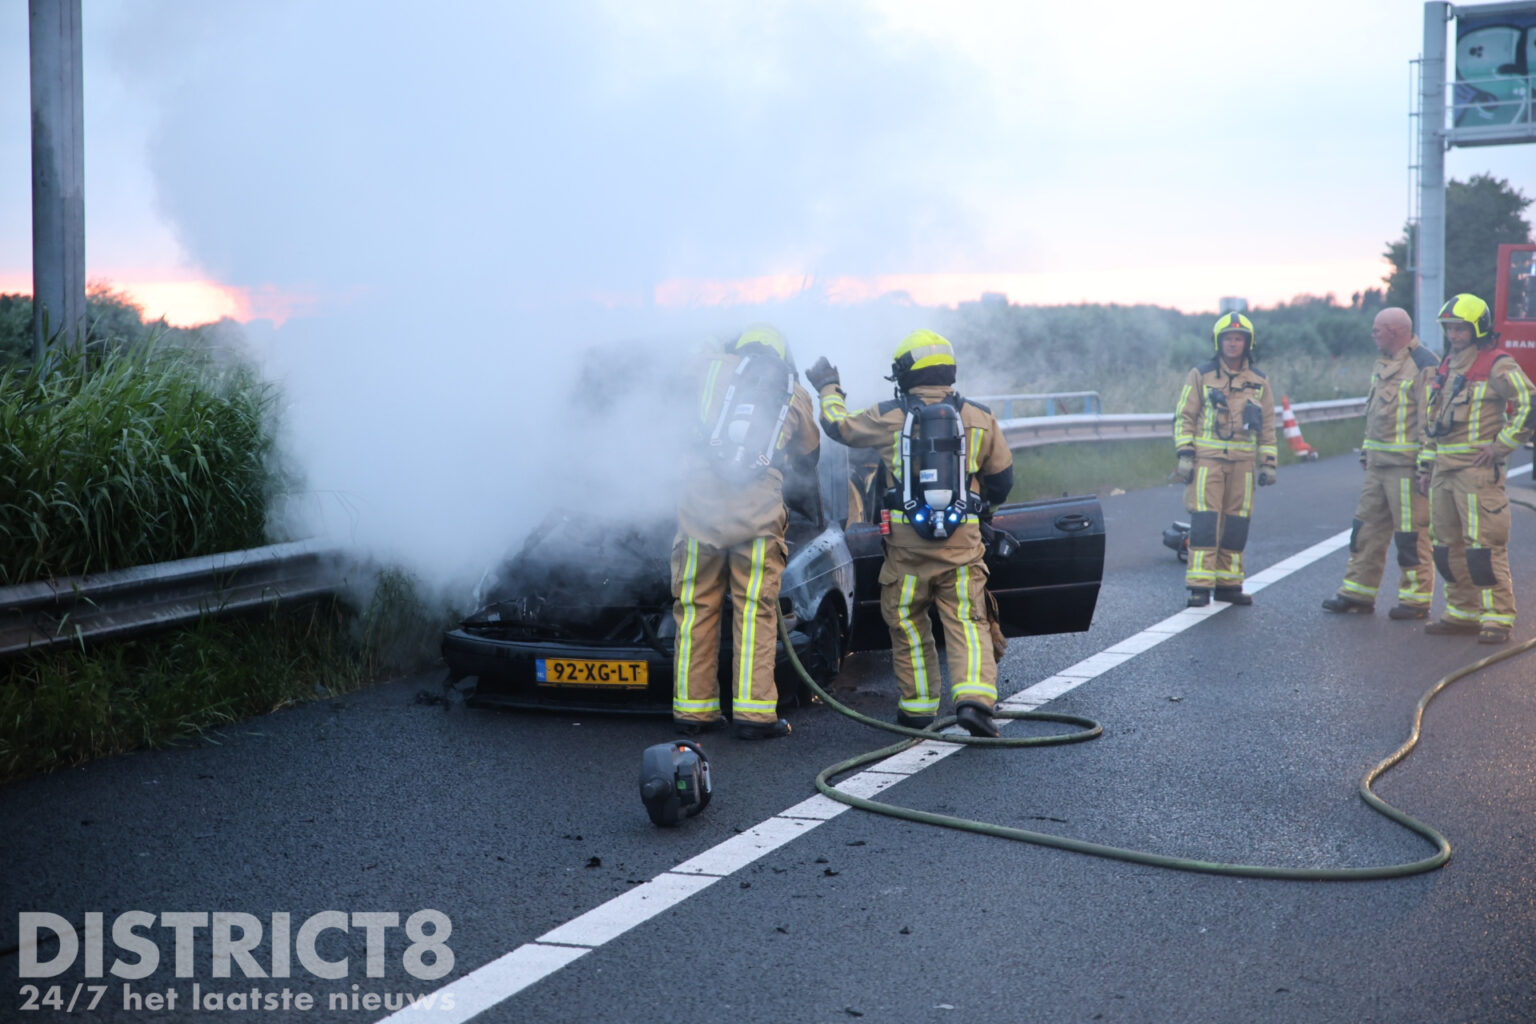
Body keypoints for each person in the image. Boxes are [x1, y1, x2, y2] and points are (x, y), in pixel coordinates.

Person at [805, 330, 1014, 737]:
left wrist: (829, 387)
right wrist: (980, 513)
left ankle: (917, 709)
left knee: (907, 620)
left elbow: (837, 426)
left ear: (904, 374)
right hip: (962, 545)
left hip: (906, 548)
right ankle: (974, 701)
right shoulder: (980, 417)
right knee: (968, 620)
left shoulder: (888, 416)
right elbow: (1002, 479)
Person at [672, 324, 820, 739]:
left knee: (695, 607)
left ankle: (693, 711)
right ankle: (754, 715)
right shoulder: (793, 390)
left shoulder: (711, 366)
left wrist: (709, 344)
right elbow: (809, 455)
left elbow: (672, 382)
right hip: (757, 511)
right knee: (755, 611)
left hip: (700, 507)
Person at [1417, 293, 1534, 644]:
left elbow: (1530, 403)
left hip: (1476, 473)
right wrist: (1426, 465)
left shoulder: (1497, 364)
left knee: (1484, 546)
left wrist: (1501, 446)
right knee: (1445, 546)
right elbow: (1433, 423)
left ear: (1477, 329)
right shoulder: (1447, 366)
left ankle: (1497, 617)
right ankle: (1462, 612)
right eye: (1449, 328)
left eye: (1460, 329)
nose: (1453, 335)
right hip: (1443, 471)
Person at [1322, 307, 1439, 617]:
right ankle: (1357, 593)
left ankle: (1415, 600)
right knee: (1365, 530)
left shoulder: (1424, 365)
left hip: (1406, 468)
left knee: (1411, 535)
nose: (1373, 335)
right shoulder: (1385, 363)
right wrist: (1366, 450)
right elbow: (1375, 413)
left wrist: (1425, 465)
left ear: (1394, 331)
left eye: (1377, 330)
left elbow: (1430, 420)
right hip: (1378, 465)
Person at [1172, 312, 1278, 607]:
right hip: (1207, 462)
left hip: (1244, 465)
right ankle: (1199, 586)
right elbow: (1184, 416)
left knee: (1236, 524)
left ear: (1248, 343)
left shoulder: (1259, 381)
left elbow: (1268, 425)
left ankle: (1229, 584)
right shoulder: (1201, 375)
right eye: (1228, 338)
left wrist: (1268, 462)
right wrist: (1185, 454)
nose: (1233, 343)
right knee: (1205, 522)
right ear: (1218, 342)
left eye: (1238, 338)